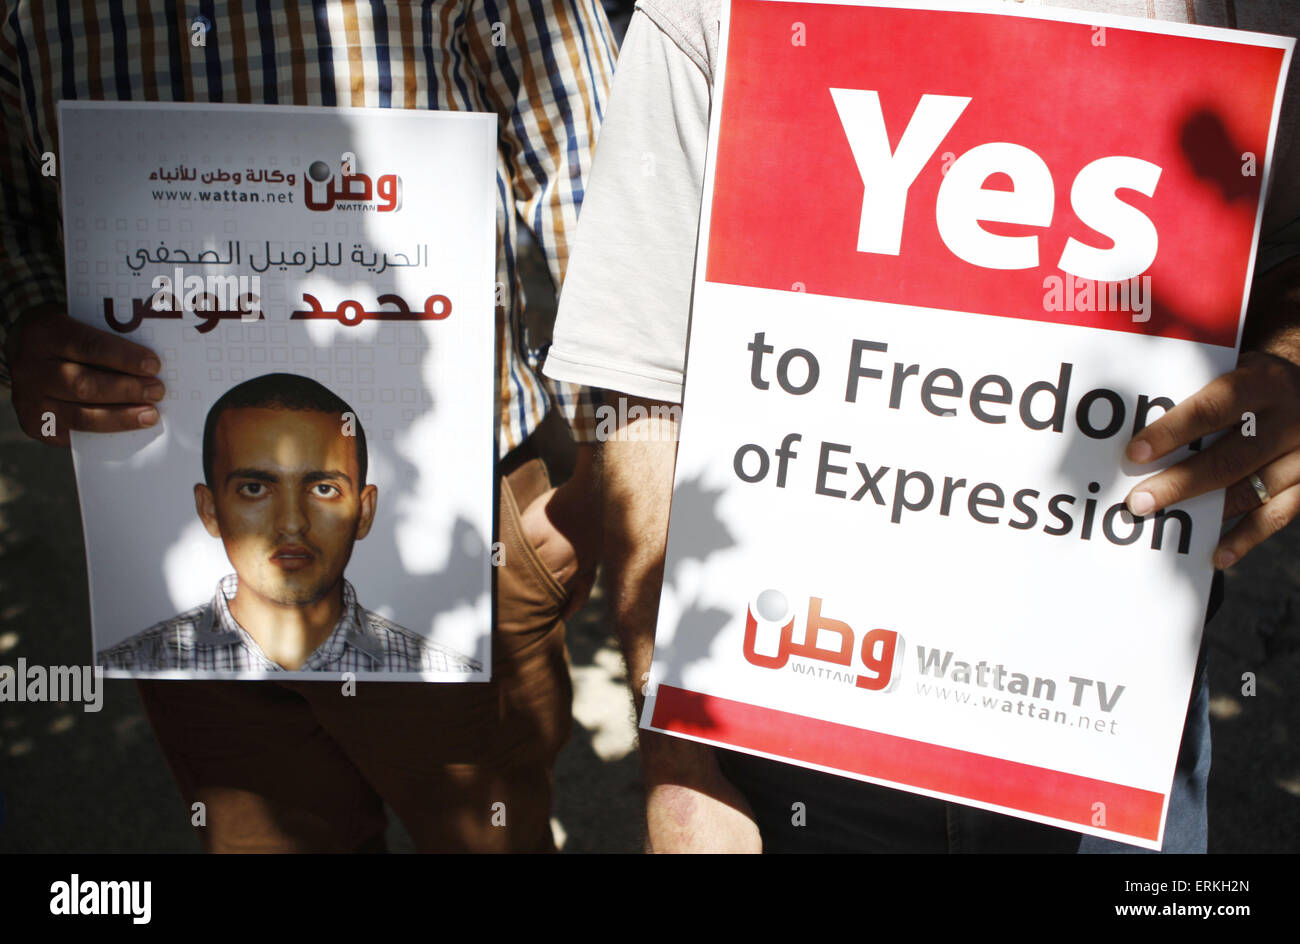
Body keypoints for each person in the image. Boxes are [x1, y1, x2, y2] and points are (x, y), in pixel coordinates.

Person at [545, 0, 1300, 852]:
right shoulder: (709, 15)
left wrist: (1289, 357)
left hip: (1110, 737)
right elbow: (642, 383)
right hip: (788, 738)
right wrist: (679, 766)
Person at [0, 1, 613, 852]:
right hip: (156, 551)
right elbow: (15, 202)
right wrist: (25, 319)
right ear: (214, 506)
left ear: (355, 503)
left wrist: (608, 468)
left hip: (469, 535)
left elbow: (593, 170)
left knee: (488, 838)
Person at [98, 372, 481, 675]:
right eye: (254, 488)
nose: (293, 524)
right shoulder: (135, 663)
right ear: (210, 509)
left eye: (324, 489)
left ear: (364, 512)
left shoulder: (444, 671)